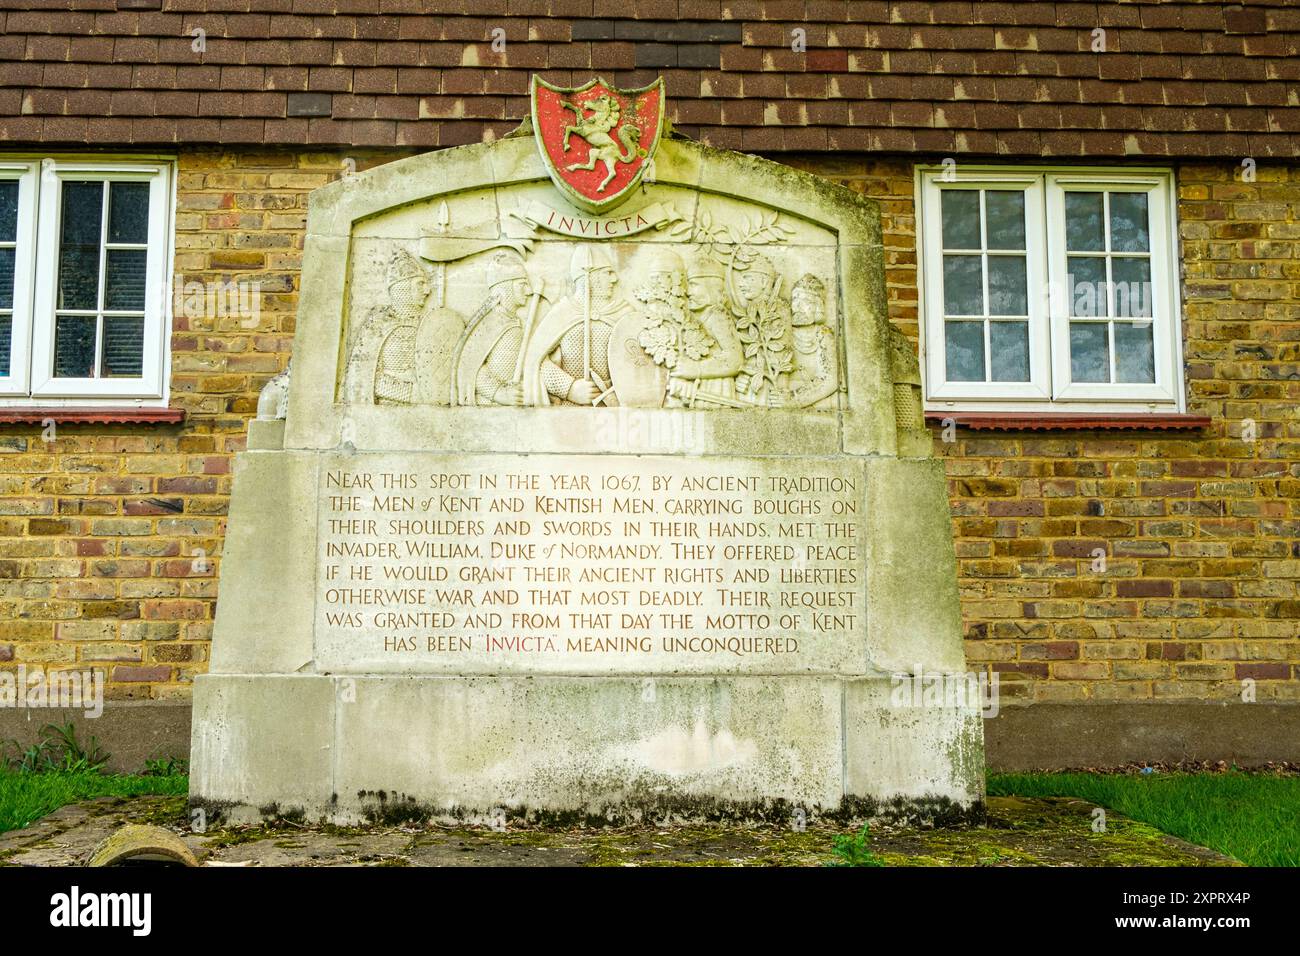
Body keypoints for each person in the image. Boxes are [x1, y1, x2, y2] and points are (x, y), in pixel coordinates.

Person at [523, 246, 637, 406]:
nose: (614, 279)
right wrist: (569, 388)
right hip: (570, 412)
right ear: (591, 276)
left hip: (615, 408)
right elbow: (535, 360)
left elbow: (640, 361)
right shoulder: (563, 313)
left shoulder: (623, 313)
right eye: (607, 273)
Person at [775, 273, 838, 408]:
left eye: (805, 302)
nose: (797, 306)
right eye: (795, 300)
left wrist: (794, 399)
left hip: (811, 397)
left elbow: (831, 380)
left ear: (818, 307)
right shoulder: (783, 332)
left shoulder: (823, 334)